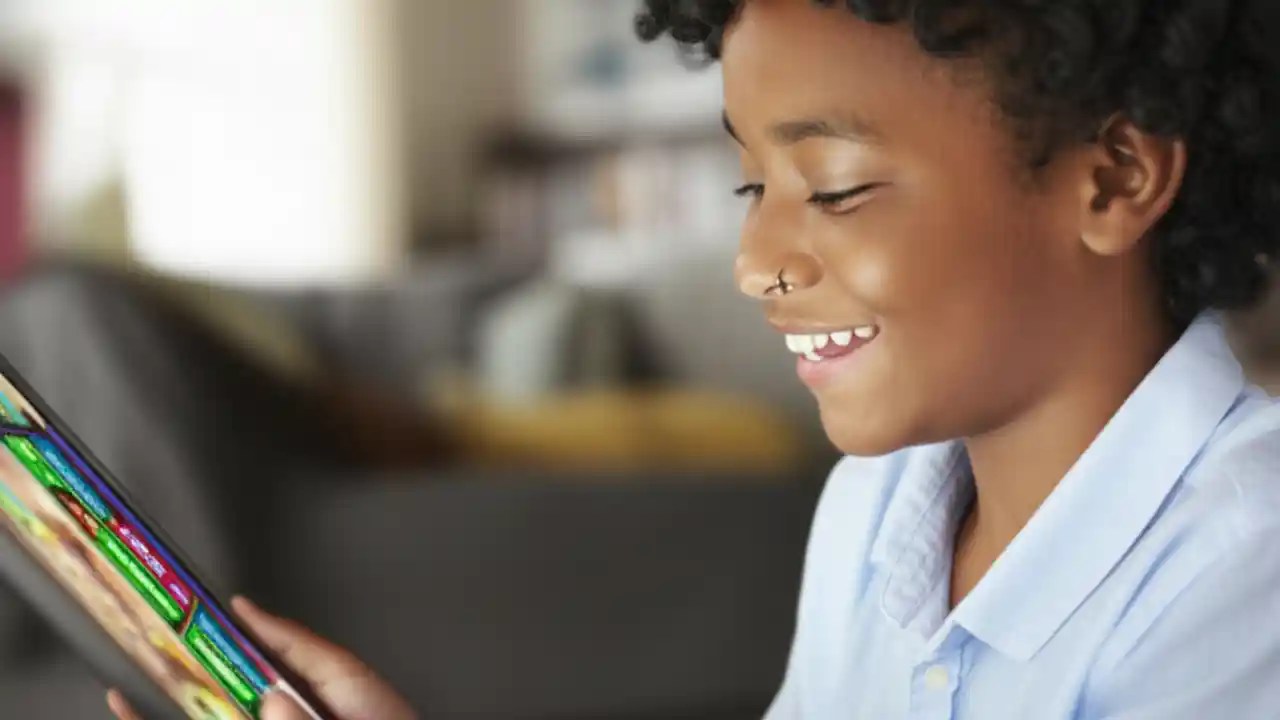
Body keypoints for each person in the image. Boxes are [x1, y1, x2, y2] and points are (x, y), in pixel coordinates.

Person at [112, 0, 1280, 717]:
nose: (753, 261)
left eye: (832, 189)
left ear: (1112, 177)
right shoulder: (880, 511)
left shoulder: (1244, 571)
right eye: (750, 187)